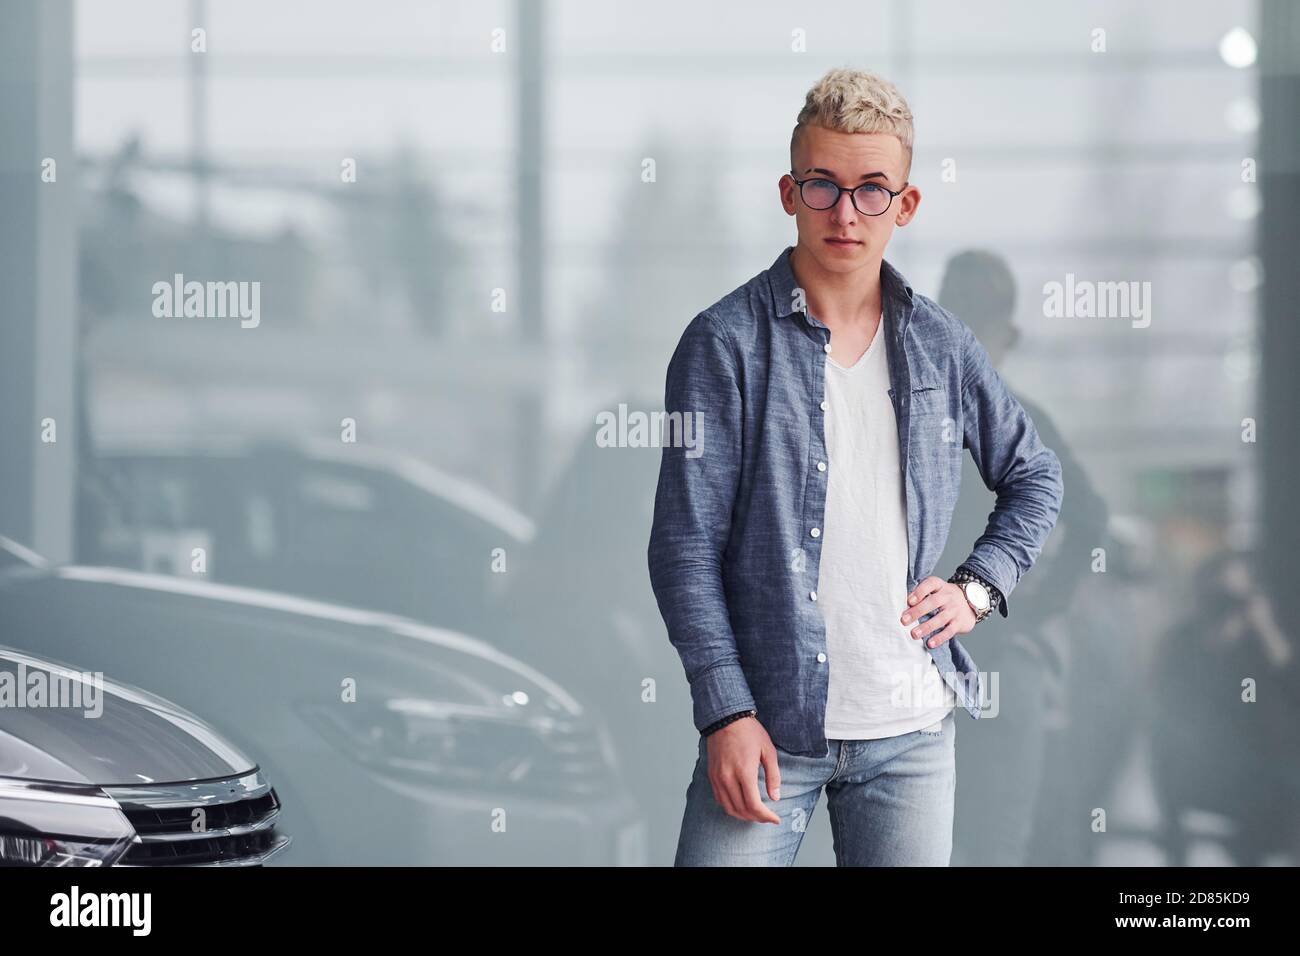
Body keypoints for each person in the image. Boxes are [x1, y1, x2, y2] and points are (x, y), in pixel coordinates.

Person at [646, 67, 1064, 866]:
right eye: (822, 186)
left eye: (873, 188)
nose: (845, 212)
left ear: (905, 205)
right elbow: (683, 549)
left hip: (910, 736)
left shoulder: (944, 345)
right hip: (768, 728)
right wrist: (725, 713)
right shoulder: (724, 345)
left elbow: (1034, 477)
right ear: (787, 192)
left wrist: (979, 588)